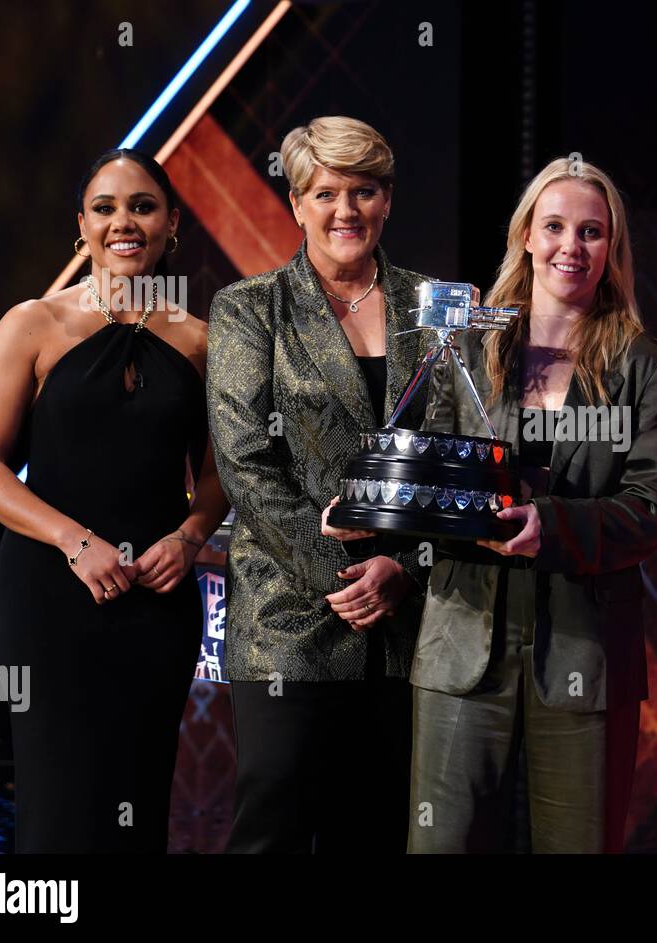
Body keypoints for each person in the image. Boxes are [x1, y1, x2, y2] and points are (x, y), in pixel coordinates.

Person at [330, 156, 657, 853]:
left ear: (611, 248)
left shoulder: (646, 362)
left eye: (591, 232)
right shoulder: (472, 348)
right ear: (527, 235)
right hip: (461, 643)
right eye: (554, 226)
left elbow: (654, 506)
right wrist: (387, 534)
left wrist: (549, 524)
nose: (570, 247)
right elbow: (436, 477)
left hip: (585, 653)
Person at [0, 148, 226, 852]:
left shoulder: (201, 341)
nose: (123, 221)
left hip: (156, 601)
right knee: (57, 805)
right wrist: (75, 543)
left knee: (139, 793)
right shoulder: (33, 324)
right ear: (81, 226)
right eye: (105, 207)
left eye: (142, 206)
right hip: (49, 596)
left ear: (171, 225)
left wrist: (191, 535)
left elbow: (221, 472)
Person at [206, 117, 430, 853]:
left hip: (406, 621)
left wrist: (402, 568)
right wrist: (346, 575)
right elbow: (244, 463)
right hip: (288, 622)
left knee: (376, 830)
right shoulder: (249, 307)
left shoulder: (434, 305)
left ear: (388, 200)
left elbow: (461, 451)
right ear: (296, 202)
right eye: (325, 192)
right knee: (271, 825)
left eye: (363, 190)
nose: (346, 210)